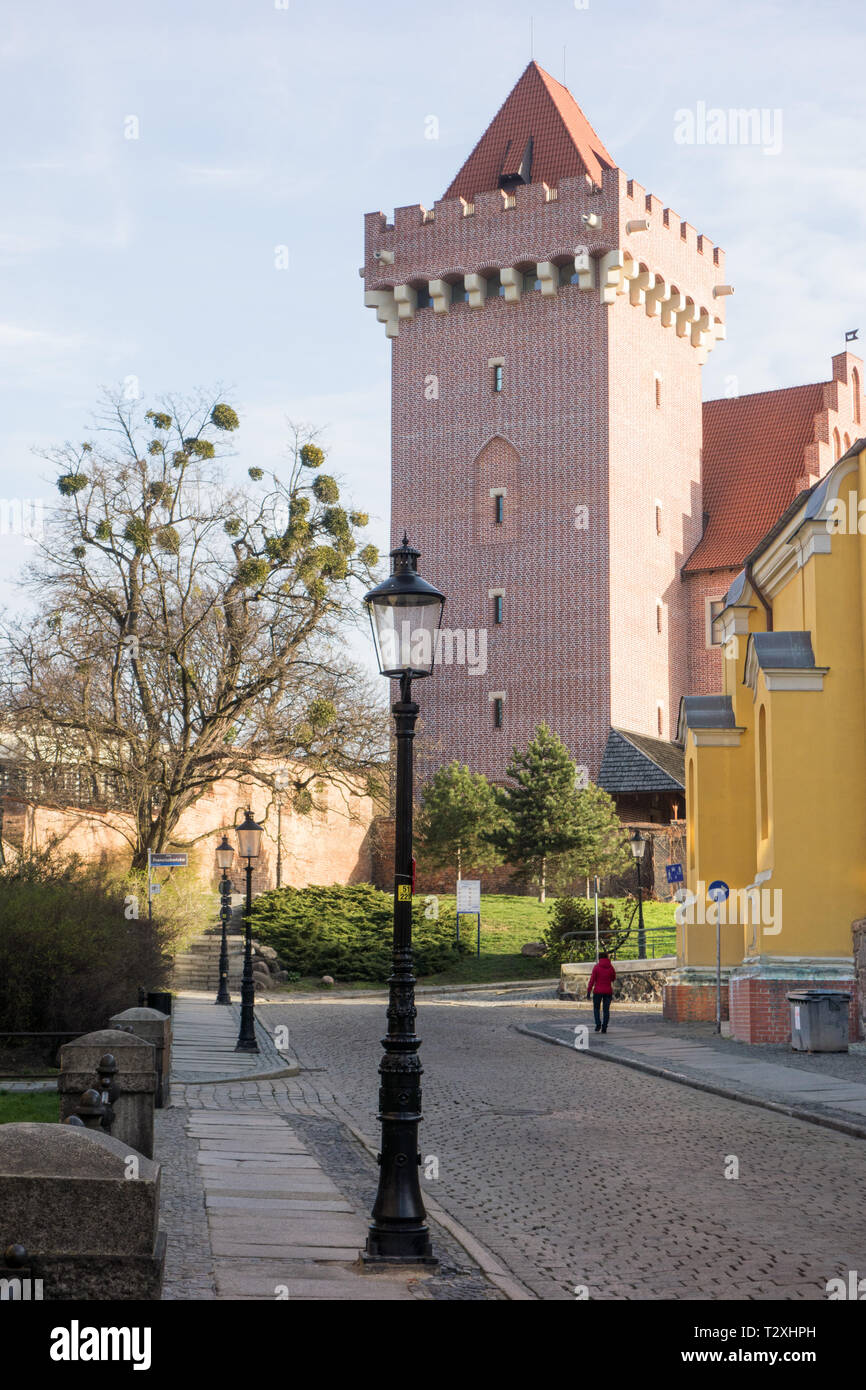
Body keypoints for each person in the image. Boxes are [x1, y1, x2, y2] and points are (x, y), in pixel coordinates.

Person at [587, 951, 616, 1032]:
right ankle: (604, 1027)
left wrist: (589, 991)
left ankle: (598, 1024)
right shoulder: (611, 967)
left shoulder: (596, 967)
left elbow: (592, 980)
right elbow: (613, 978)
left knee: (596, 1009)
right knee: (606, 1010)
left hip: (598, 991)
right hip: (608, 991)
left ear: (599, 958)